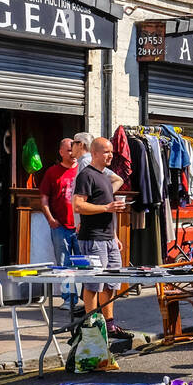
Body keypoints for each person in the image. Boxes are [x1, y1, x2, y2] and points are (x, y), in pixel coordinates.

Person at [72, 136, 132, 339]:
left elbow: (108, 210)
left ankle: (110, 324)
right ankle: (92, 325)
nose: (110, 156)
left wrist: (114, 235)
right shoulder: (86, 175)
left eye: (112, 152)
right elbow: (78, 205)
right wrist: (107, 207)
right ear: (95, 153)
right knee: (93, 283)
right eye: (107, 152)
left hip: (108, 238)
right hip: (93, 238)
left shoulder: (105, 177)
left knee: (111, 282)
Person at [38, 137, 79, 309]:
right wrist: (50, 219)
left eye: (74, 149)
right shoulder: (52, 172)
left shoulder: (83, 170)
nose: (73, 153)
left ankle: (90, 298)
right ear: (61, 152)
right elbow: (44, 198)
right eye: (69, 149)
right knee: (63, 264)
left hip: (80, 226)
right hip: (60, 225)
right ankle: (69, 298)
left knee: (85, 262)